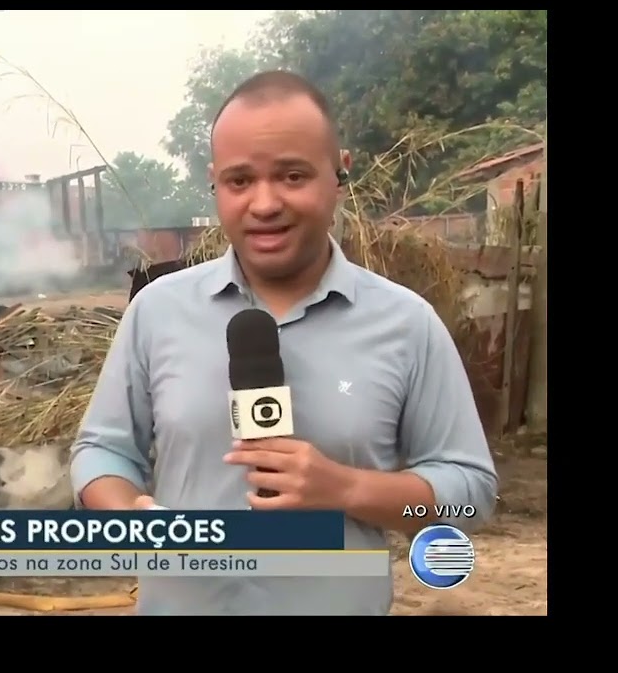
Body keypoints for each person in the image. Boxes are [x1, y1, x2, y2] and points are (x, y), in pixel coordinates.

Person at [70, 71, 498, 615]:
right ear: (215, 184)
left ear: (339, 173)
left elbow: (469, 498)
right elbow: (101, 452)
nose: (265, 203)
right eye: (239, 181)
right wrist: (128, 513)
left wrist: (345, 489)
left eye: (293, 175)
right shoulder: (156, 311)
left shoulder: (407, 324)